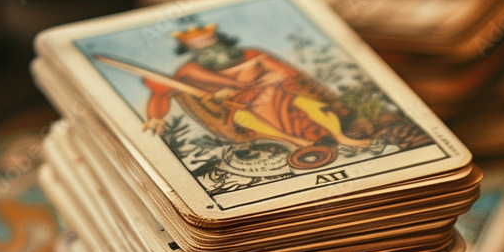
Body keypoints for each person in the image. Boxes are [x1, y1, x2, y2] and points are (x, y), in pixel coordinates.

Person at [137, 24, 373, 162]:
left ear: (217, 38)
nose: (205, 45)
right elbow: (163, 92)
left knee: (306, 103)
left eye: (208, 39)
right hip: (237, 107)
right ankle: (297, 143)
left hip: (276, 95)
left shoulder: (251, 54)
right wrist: (156, 116)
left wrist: (269, 79)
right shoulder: (188, 71)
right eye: (196, 44)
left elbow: (284, 73)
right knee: (246, 117)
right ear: (188, 48)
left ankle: (341, 137)